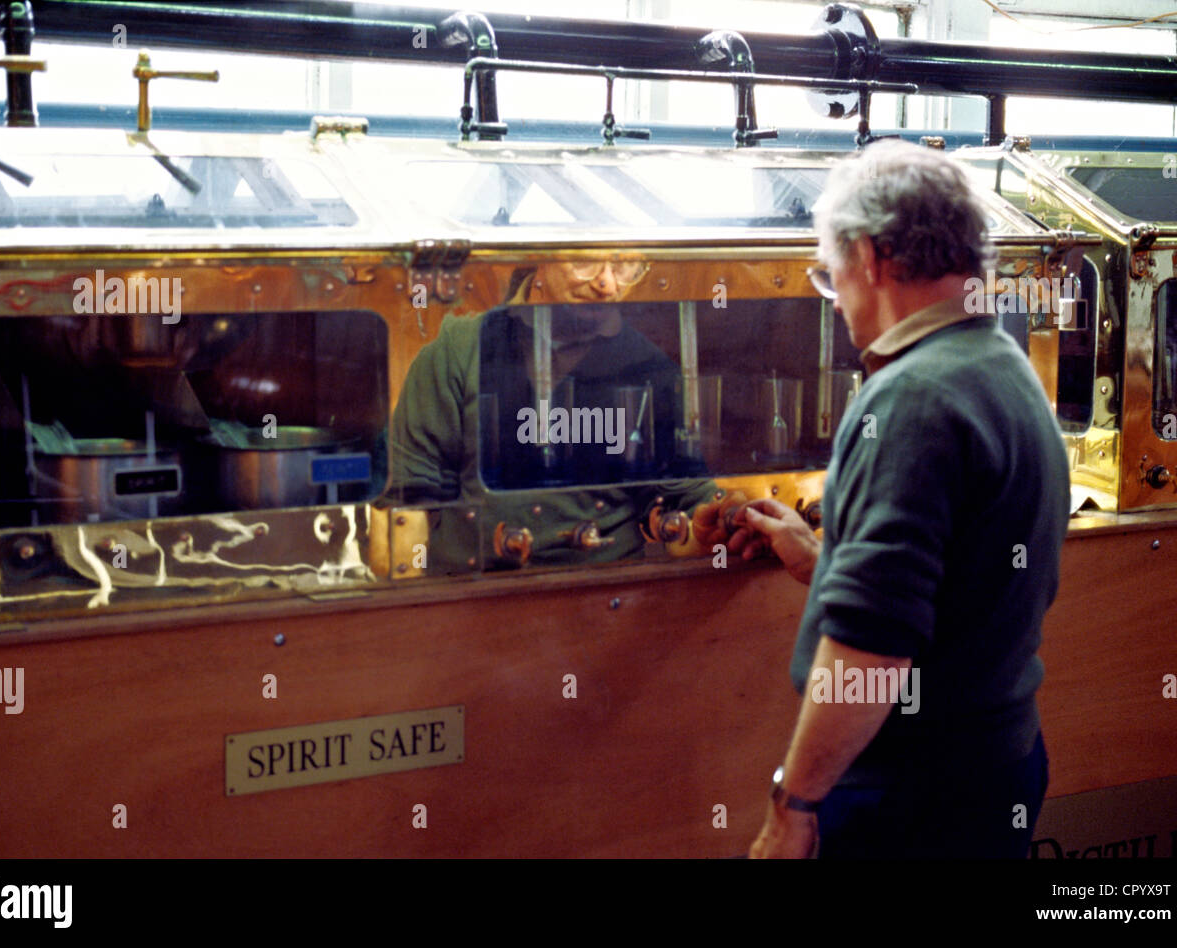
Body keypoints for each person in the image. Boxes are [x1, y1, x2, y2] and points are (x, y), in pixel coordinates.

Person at [731, 139, 1070, 858]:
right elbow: (953, 586)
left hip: (910, 797)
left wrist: (794, 804)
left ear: (873, 258)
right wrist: (821, 563)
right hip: (998, 764)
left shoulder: (913, 398)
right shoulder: (1002, 367)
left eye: (832, 275)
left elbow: (871, 656)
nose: (838, 302)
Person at [390, 260, 720, 573]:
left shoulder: (651, 371)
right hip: (470, 597)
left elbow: (685, 500)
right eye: (585, 263)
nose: (607, 283)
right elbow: (408, 496)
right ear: (541, 260)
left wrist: (715, 523)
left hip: (605, 601)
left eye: (624, 267)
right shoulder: (459, 349)